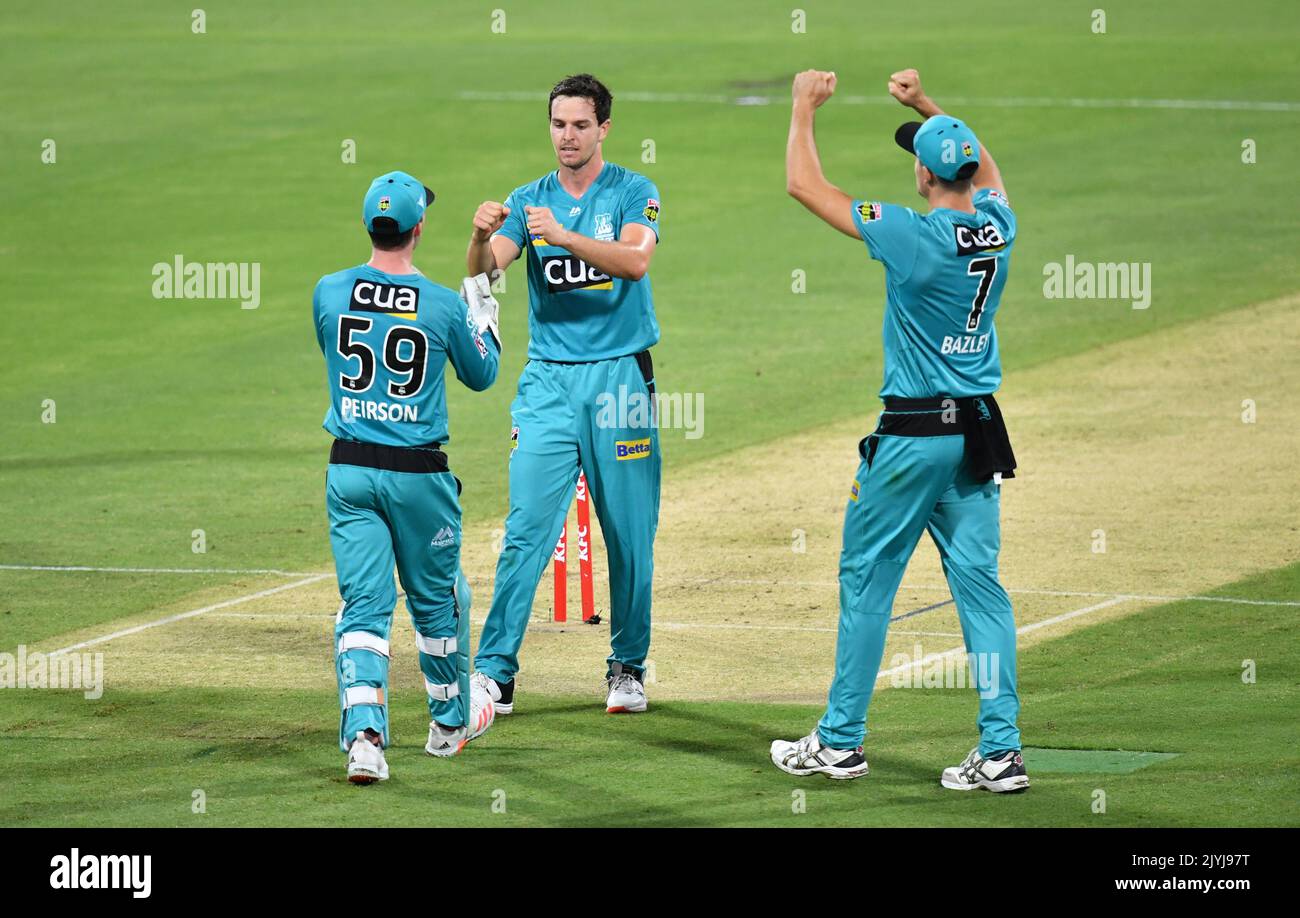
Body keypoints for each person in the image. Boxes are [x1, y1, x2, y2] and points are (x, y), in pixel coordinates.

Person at [770, 69, 1029, 792]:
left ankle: (840, 741)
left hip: (914, 435)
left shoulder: (911, 235)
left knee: (867, 580)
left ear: (923, 172)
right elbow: (992, 176)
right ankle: (1002, 750)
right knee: (980, 588)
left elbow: (805, 186)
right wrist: (927, 105)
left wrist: (803, 109)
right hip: (977, 432)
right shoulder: (996, 226)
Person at [465, 73, 663, 715]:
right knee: (526, 529)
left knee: (628, 534)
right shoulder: (530, 199)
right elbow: (484, 274)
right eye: (558, 124)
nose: (567, 136)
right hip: (548, 381)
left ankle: (627, 668)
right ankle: (496, 672)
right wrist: (478, 237)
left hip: (619, 379)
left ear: (604, 127)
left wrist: (564, 235)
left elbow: (635, 262)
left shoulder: (636, 191)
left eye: (580, 125)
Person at [313, 171, 502, 783]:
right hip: (417, 477)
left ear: (370, 226)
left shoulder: (329, 291)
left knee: (363, 608)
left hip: (349, 470)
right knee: (437, 604)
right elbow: (483, 375)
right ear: (419, 229)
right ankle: (448, 726)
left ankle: (365, 740)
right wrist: (484, 309)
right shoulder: (444, 304)